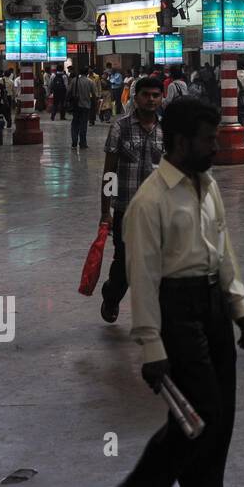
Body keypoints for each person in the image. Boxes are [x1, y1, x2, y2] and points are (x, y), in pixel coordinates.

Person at [120, 97, 244, 487]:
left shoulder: (208, 185)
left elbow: (222, 247)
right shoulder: (150, 201)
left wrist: (238, 306)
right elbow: (142, 278)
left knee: (221, 415)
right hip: (176, 310)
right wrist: (151, 347)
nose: (215, 147)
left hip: (214, 304)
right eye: (208, 140)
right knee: (200, 413)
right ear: (180, 141)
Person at [98, 76, 164, 324]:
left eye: (155, 95)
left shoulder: (166, 130)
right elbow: (110, 172)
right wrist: (106, 211)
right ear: (135, 98)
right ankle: (111, 296)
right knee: (125, 263)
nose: (150, 99)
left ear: (161, 98)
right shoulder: (120, 127)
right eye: (146, 94)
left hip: (158, 212)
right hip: (126, 210)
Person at [69, 66, 97, 150]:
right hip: (86, 106)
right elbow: (94, 94)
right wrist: (94, 104)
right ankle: (82, 143)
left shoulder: (74, 80)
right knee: (83, 125)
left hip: (76, 106)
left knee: (75, 124)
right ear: (87, 73)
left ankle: (74, 143)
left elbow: (69, 91)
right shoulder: (90, 82)